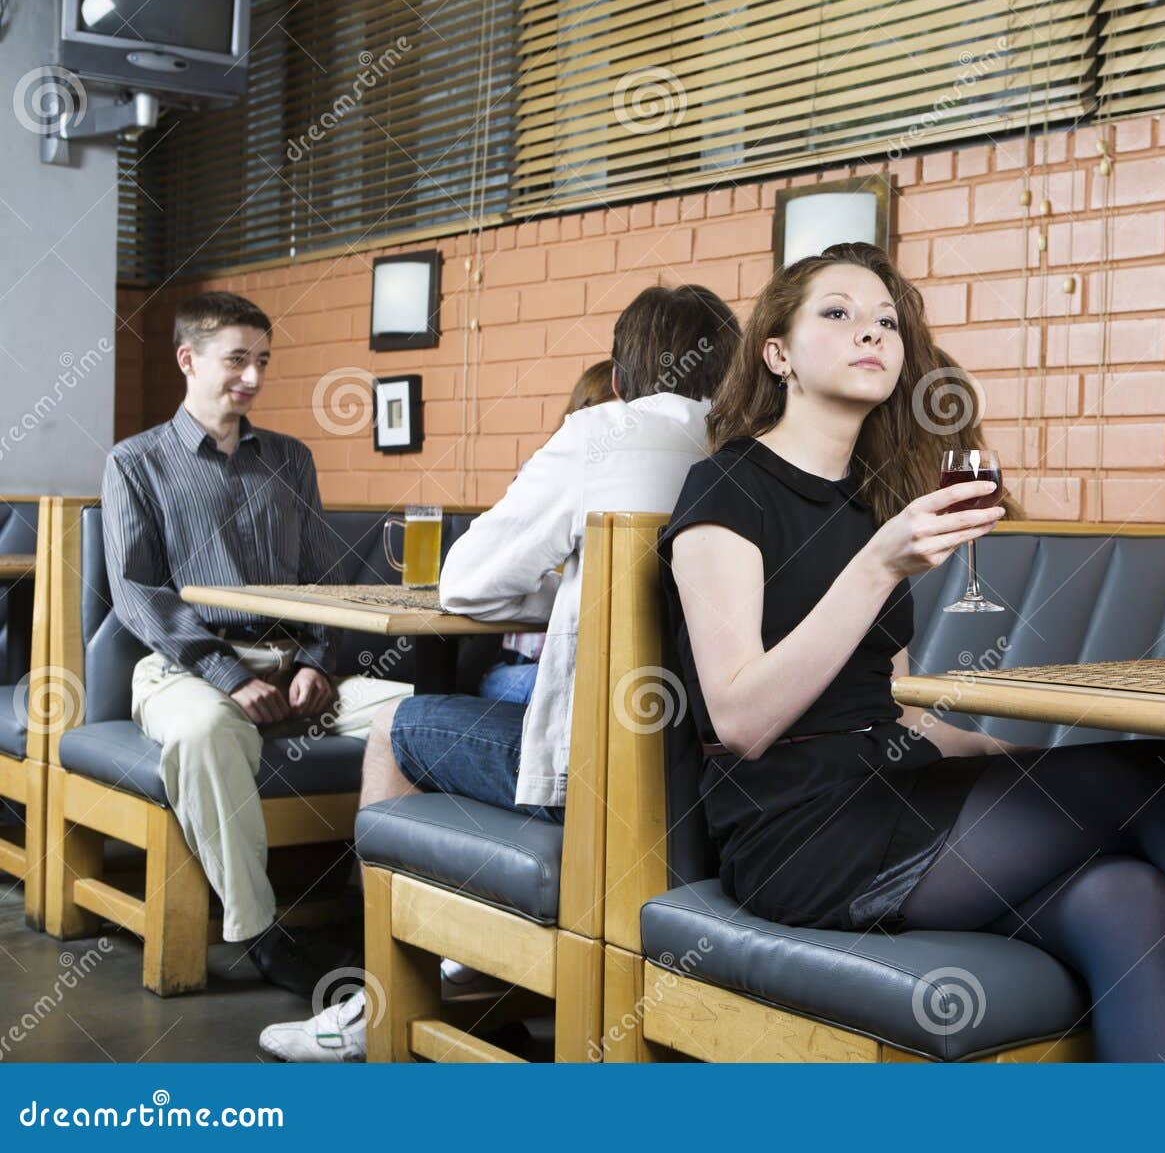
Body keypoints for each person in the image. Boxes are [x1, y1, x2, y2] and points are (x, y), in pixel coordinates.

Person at [655, 243, 1165, 1062]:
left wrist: (1020, 762)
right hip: (802, 834)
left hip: (891, 789)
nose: (871, 333)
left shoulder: (866, 508)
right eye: (839, 313)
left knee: (1123, 896)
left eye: (886, 321)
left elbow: (892, 710)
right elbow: (741, 718)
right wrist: (881, 562)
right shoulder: (726, 487)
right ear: (777, 353)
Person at [259, 285, 739, 1061]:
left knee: (395, 728)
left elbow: (466, 581)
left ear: (617, 379)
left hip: (598, 781)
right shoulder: (757, 445)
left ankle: (380, 996)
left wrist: (560, 577)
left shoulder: (605, 432)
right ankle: (472, 975)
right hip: (714, 792)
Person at [102, 292, 413, 997]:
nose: (252, 377)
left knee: (422, 714)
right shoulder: (134, 463)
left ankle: (394, 921)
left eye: (262, 361)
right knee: (208, 732)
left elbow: (326, 582)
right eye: (237, 359)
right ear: (189, 359)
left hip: (296, 672)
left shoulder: (292, 460)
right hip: (188, 671)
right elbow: (136, 593)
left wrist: (314, 663)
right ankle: (260, 931)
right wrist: (227, 674)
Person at [477, 359, 619, 706]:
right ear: (582, 414)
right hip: (525, 665)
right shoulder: (545, 472)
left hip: (593, 668)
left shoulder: (627, 478)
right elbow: (499, 572)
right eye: (608, 415)